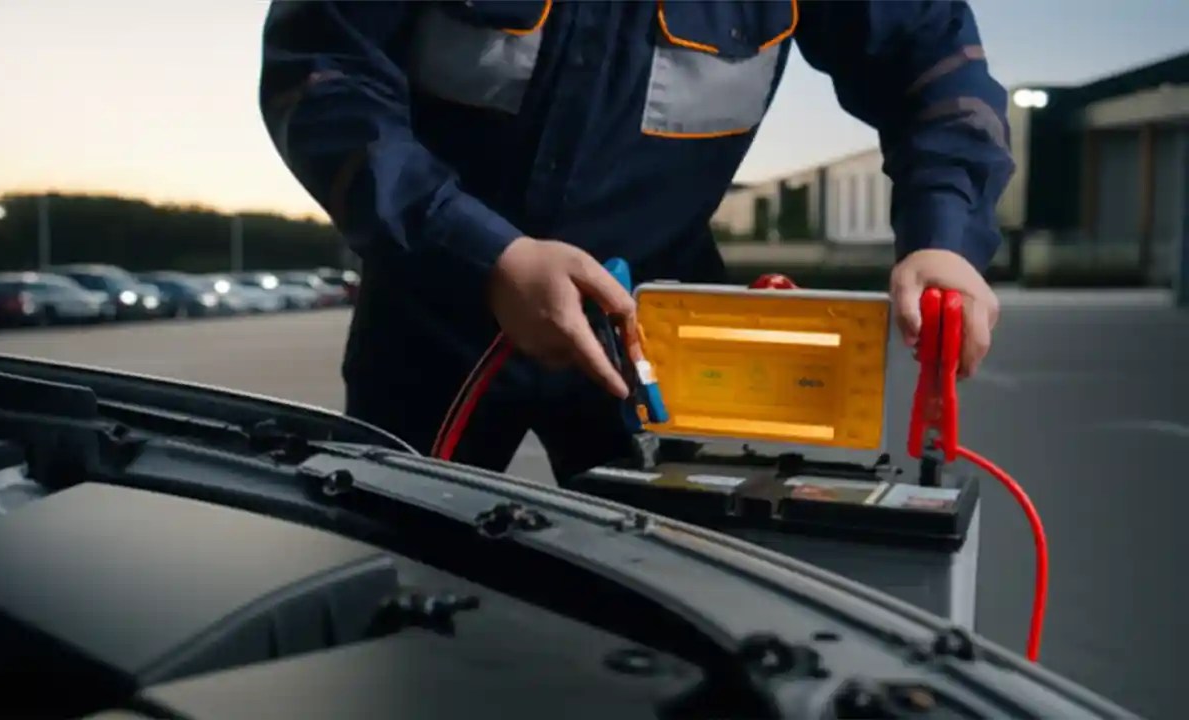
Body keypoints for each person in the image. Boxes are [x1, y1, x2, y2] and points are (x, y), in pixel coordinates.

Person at [259, 0, 1011, 481]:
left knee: (673, 619)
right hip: (434, 315)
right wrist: (482, 255)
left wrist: (945, 235)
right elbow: (323, 71)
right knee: (389, 580)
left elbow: (938, 71)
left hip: (652, 334)